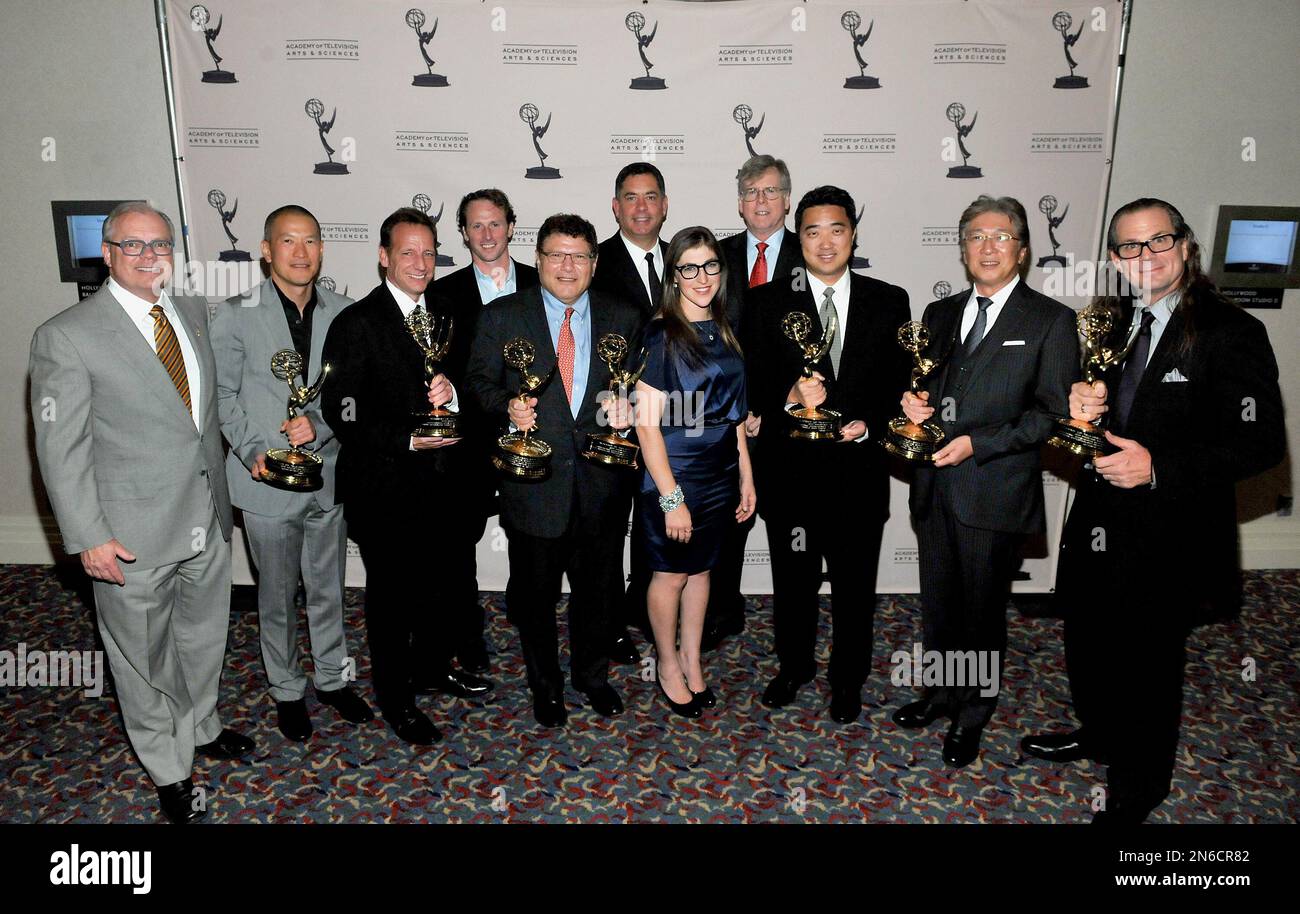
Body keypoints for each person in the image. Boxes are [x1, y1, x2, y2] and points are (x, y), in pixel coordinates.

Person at [1021, 198, 1284, 823]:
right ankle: (1101, 735)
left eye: (1159, 241)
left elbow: (1260, 442)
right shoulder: (1107, 323)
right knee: (1088, 641)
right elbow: (1102, 417)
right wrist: (1083, 410)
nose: (1147, 256)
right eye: (1131, 247)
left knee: (1148, 663)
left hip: (1172, 530)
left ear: (1186, 246)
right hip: (1098, 520)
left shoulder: (1231, 330)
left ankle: (1140, 787)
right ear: (1115, 258)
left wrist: (1159, 466)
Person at [29, 202, 251, 824]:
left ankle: (202, 725)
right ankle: (169, 766)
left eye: (161, 245)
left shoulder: (191, 312)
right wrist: (87, 536)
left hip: (205, 518)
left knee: (204, 636)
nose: (150, 256)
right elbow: (60, 449)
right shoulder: (66, 335)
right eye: (134, 245)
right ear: (107, 254)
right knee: (143, 659)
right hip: (127, 536)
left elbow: (199, 422)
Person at [893, 195, 1077, 767]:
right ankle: (943, 692)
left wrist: (980, 443)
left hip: (993, 490)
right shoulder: (940, 314)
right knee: (940, 603)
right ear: (963, 248)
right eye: (976, 236)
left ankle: (973, 711)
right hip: (934, 489)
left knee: (980, 610)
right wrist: (913, 409)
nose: (988, 246)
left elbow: (1050, 415)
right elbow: (926, 387)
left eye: (1001, 237)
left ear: (1022, 250)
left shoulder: (1051, 321)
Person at [320, 207, 492, 747]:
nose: (420, 263)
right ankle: (396, 699)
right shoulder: (356, 322)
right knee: (392, 602)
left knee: (441, 590)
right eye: (407, 253)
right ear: (383, 257)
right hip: (386, 490)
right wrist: (408, 438)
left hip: (447, 486)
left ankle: (434, 672)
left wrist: (453, 395)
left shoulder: (448, 312)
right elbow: (340, 409)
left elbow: (472, 381)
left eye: (428, 252)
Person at [465, 213, 642, 728]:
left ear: (594, 262)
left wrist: (628, 407)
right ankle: (545, 686)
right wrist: (507, 409)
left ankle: (592, 677)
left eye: (579, 255)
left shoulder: (623, 315)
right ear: (538, 259)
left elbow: (635, 383)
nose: (568, 266)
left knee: (597, 594)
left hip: (601, 485)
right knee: (535, 599)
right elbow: (478, 383)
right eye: (556, 255)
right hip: (533, 486)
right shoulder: (502, 316)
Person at [745, 186, 911, 725]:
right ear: (800, 235)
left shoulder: (890, 301)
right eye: (812, 231)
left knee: (855, 588)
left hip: (859, 477)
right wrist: (788, 398)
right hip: (790, 477)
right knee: (792, 583)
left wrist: (872, 425)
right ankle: (793, 667)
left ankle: (848, 680)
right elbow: (749, 387)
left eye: (836, 229)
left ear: (853, 232)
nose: (824, 242)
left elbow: (901, 388)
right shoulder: (767, 302)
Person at [212, 204, 372, 742]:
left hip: (326, 475)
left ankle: (331, 679)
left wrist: (322, 424)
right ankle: (286, 689)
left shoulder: (348, 313)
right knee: (276, 594)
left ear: (322, 250)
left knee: (328, 586)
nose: (300, 252)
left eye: (311, 241)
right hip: (264, 480)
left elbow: (353, 395)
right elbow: (222, 395)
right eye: (288, 241)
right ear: (265, 250)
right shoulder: (235, 314)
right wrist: (253, 448)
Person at [635, 226, 755, 717]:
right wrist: (671, 498)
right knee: (669, 575)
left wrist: (746, 475)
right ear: (675, 276)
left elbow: (735, 416)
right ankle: (666, 663)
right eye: (689, 267)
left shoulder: (724, 328)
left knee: (702, 571)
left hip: (721, 472)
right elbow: (645, 427)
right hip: (675, 473)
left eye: (710, 265)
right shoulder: (663, 333)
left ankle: (692, 657)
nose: (701, 276)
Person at [432, 189, 540, 673]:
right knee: (458, 544)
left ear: (513, 227)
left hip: (534, 434)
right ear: (463, 234)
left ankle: (526, 613)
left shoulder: (547, 285)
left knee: (533, 535)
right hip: (468, 443)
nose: (487, 234)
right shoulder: (443, 295)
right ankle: (466, 632)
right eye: (476, 226)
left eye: (495, 223)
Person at [704, 154, 802, 652]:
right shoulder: (714, 261)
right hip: (726, 418)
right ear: (739, 205)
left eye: (769, 192)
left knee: (791, 533)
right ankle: (724, 611)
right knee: (727, 525)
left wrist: (772, 401)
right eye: (750, 193)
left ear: (787, 199)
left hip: (790, 422)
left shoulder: (812, 259)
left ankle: (793, 634)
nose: (759, 201)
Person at [590, 162, 671, 664]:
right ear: (616, 207)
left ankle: (653, 614)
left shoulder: (685, 260)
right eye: (631, 197)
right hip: (614, 422)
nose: (641, 207)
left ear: (665, 205)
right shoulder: (594, 262)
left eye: (651, 196)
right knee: (605, 531)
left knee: (660, 523)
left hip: (675, 421)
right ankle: (609, 625)